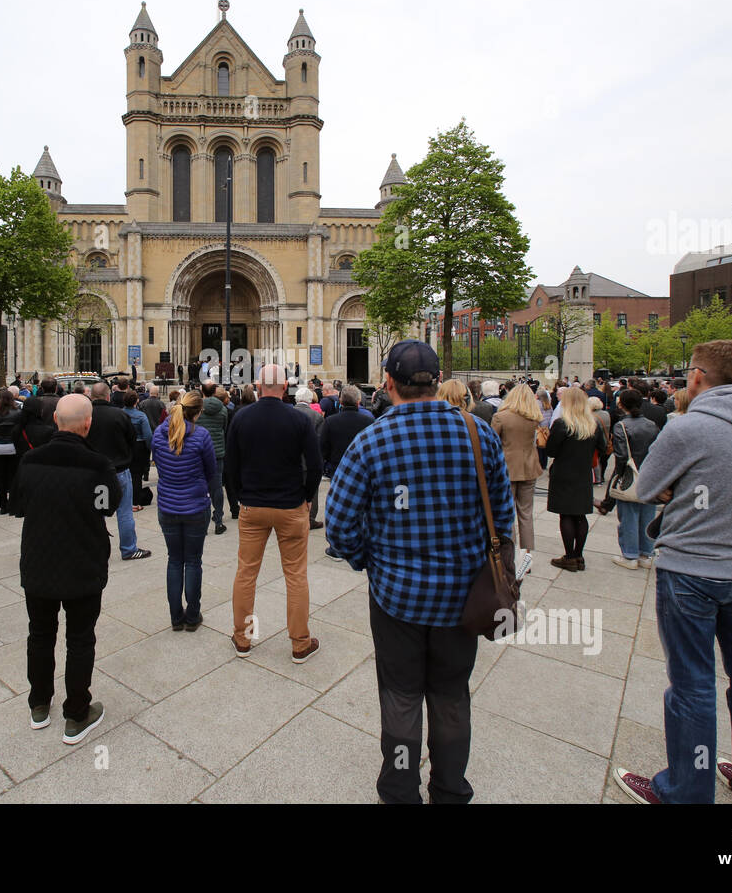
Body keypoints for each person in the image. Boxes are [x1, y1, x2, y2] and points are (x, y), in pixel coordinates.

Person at [328, 340, 513, 804]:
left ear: (388, 383)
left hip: (397, 600)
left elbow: (340, 526)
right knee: (451, 696)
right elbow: (504, 516)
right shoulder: (478, 433)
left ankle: (400, 789)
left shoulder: (371, 440)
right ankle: (450, 790)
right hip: (465, 597)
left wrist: (370, 560)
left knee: (402, 697)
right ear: (436, 380)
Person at [615, 339, 732, 804]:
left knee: (693, 684)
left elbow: (646, 485)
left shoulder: (690, 429)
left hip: (691, 567)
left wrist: (680, 491)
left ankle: (685, 791)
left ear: (697, 376)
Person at [10, 393, 121, 743]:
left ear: (56, 420)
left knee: (40, 634)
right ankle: (76, 712)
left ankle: (39, 704)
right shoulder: (97, 465)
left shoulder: (30, 460)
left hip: (40, 561)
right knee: (79, 638)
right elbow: (107, 506)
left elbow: (18, 503)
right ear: (88, 424)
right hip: (82, 562)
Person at [225, 364, 322, 662]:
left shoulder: (242, 417)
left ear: (257, 385)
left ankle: (244, 638)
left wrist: (240, 498)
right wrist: (306, 498)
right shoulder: (298, 418)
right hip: (291, 505)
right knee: (295, 575)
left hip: (253, 506)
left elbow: (230, 469)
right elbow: (315, 466)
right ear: (284, 387)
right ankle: (299, 643)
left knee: (246, 573)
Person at [153, 390, 217, 630]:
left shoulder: (160, 433)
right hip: (195, 507)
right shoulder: (201, 436)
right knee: (192, 561)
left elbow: (158, 463)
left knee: (174, 561)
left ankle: (175, 617)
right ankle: (192, 616)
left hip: (168, 506)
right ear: (198, 412)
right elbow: (212, 472)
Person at [86, 381, 150, 560]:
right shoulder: (119, 415)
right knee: (124, 511)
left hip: (97, 471)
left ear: (92, 396)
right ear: (108, 396)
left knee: (99, 510)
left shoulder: (87, 415)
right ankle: (129, 548)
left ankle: (97, 549)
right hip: (119, 470)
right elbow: (132, 439)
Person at [543, 387, 606, 570]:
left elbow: (551, 451)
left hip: (564, 472)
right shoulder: (593, 424)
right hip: (583, 472)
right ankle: (578, 555)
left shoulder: (563, 424)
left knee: (566, 515)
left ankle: (570, 556)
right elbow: (602, 448)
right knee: (580, 514)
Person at [491, 383, 543, 578]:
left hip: (507, 468)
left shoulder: (501, 417)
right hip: (529, 467)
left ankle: (509, 556)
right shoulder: (533, 418)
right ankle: (526, 559)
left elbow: (492, 441)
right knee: (526, 514)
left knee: (507, 514)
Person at [607, 388, 659, 571]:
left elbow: (621, 456)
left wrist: (618, 477)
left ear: (622, 404)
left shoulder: (621, 426)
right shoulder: (652, 425)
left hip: (631, 473)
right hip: (650, 475)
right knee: (647, 515)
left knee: (629, 515)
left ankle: (630, 554)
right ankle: (646, 552)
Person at [194, 381, 228, 532]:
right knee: (217, 486)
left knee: (200, 485)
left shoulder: (197, 408)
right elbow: (224, 428)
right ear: (215, 391)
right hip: (217, 451)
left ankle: (202, 519)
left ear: (202, 391)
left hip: (200, 451)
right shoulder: (223, 409)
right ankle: (218, 519)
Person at [293, 386, 325, 529]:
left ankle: (293, 516)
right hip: (309, 460)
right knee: (313, 490)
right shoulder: (316, 416)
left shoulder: (288, 414)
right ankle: (310, 518)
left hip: (291, 460)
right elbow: (319, 441)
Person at [0, 389, 23, 513]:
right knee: (13, 476)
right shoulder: (18, 413)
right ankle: (13, 503)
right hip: (12, 445)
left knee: (0, 478)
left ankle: (3, 505)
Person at [123, 389, 152, 511]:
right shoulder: (141, 416)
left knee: (124, 474)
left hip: (124, 446)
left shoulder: (120, 414)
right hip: (138, 446)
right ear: (137, 401)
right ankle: (135, 502)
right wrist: (150, 449)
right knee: (136, 476)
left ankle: (124, 500)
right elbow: (148, 435)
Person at [589, 395, 612, 484]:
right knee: (603, 460)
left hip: (597, 441)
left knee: (595, 461)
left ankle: (597, 478)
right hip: (606, 439)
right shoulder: (606, 414)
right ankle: (601, 476)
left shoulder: (592, 416)